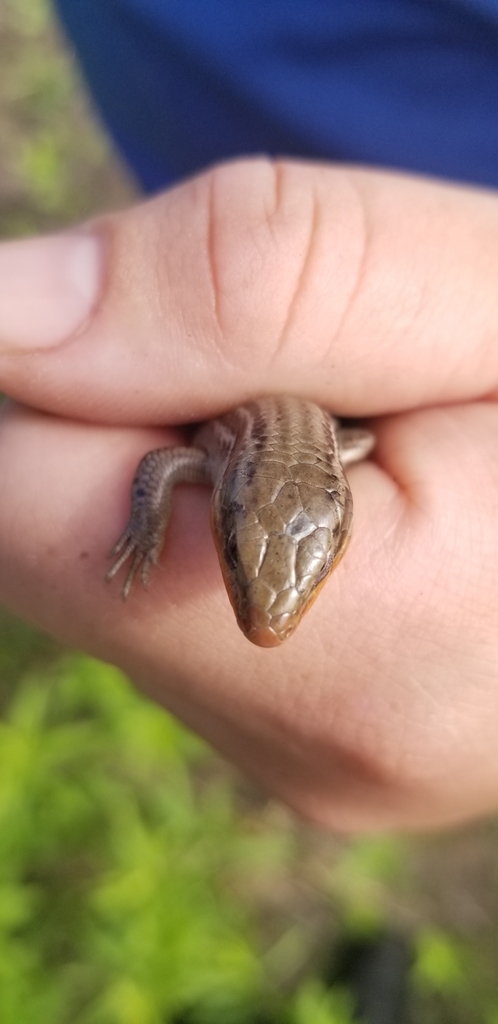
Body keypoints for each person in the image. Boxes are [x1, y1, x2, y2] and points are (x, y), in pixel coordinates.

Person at [0, 0, 497, 834]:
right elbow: (162, 466)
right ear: (230, 508)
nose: (261, 613)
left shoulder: (339, 451)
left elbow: (315, 454)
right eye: (234, 551)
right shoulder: (294, 454)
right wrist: (146, 528)